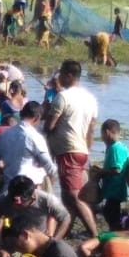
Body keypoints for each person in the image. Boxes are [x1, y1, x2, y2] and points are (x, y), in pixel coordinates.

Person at [45, 60, 99, 237]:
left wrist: (47, 109)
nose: (59, 77)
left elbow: (49, 126)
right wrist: (87, 151)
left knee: (72, 197)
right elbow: (91, 129)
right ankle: (63, 234)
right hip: (81, 150)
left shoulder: (63, 97)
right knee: (70, 197)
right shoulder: (90, 99)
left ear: (68, 75)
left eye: (61, 74)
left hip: (68, 150)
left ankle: (94, 235)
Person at [0, 175, 71, 257]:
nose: (15, 205)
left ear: (32, 197)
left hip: (37, 244)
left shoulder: (46, 200)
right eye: (13, 202)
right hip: (13, 243)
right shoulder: (2, 201)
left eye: (21, 203)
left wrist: (54, 242)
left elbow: (65, 218)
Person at [0, 101, 57, 191]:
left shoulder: (4, 135)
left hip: (8, 188)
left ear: (21, 114)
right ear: (37, 118)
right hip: (29, 190)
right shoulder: (34, 137)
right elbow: (49, 167)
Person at [100, 119, 129, 231]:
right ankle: (118, 230)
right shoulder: (117, 147)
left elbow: (117, 170)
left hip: (115, 189)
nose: (102, 138)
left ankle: (117, 233)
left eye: (102, 134)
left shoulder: (115, 148)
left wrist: (101, 173)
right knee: (110, 212)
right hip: (115, 189)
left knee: (110, 213)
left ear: (107, 132)